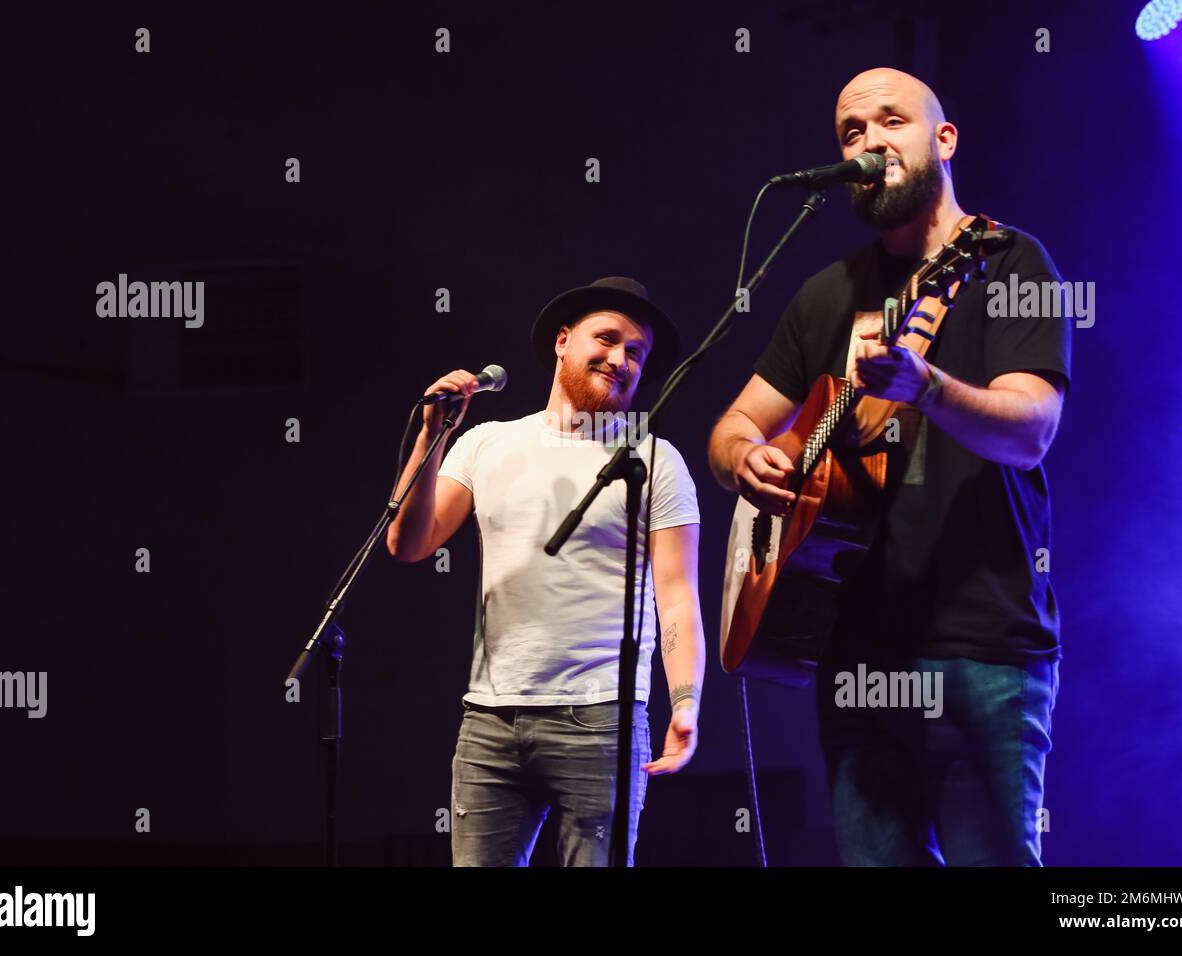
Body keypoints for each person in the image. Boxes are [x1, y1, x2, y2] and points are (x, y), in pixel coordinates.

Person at [708, 68, 1071, 866]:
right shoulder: (825, 294)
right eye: (850, 132)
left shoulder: (1009, 264)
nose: (869, 141)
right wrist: (746, 460)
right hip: (855, 652)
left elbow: (1032, 431)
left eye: (890, 120)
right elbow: (732, 425)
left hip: (983, 646)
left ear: (943, 140)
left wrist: (928, 386)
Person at [389, 276, 705, 866]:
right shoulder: (486, 444)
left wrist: (684, 701)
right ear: (563, 341)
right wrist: (432, 437)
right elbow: (409, 544)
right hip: (489, 719)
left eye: (637, 353)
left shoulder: (655, 459)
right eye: (606, 339)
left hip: (602, 719)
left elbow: (678, 595)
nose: (620, 359)